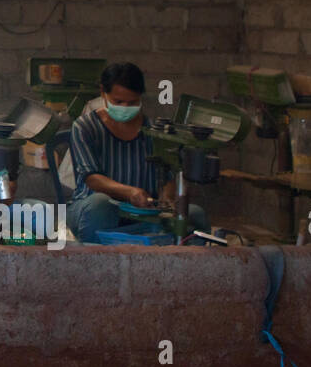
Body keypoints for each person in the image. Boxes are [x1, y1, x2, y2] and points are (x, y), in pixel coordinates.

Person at [67, 62, 208, 243]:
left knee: (195, 214)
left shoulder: (154, 130)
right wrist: (130, 192)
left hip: (143, 211)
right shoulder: (86, 126)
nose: (125, 107)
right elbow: (92, 178)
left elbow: (169, 174)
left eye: (132, 102)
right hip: (94, 208)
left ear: (140, 97)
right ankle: (95, 262)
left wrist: (167, 198)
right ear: (103, 93)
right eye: (118, 102)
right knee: (99, 205)